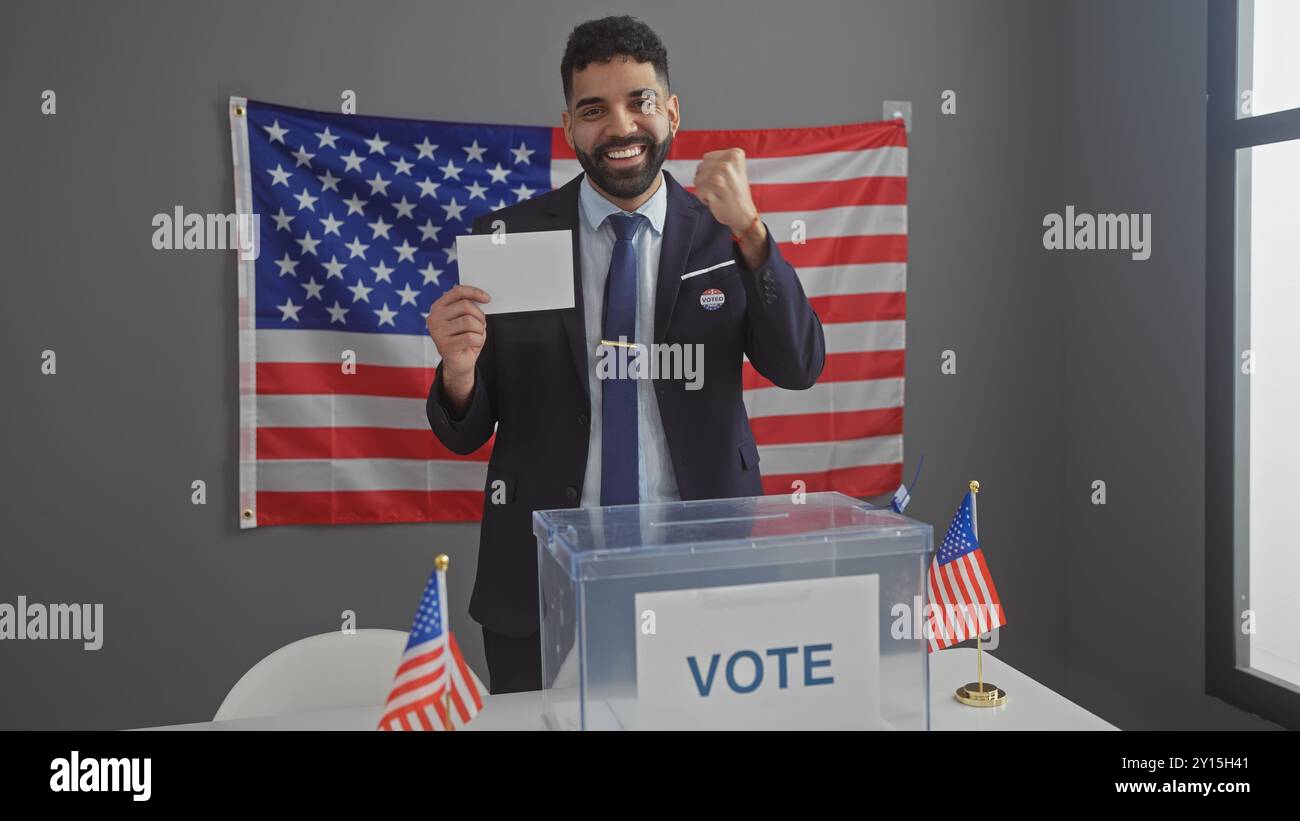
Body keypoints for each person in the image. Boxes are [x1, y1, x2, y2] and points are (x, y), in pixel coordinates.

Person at [425, 15, 825, 693]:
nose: (620, 126)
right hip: (543, 574)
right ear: (569, 125)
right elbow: (467, 431)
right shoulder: (509, 237)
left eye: (639, 102)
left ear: (671, 112)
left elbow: (798, 365)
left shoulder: (725, 234)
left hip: (704, 571)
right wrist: (458, 369)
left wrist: (754, 233)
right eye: (594, 109)